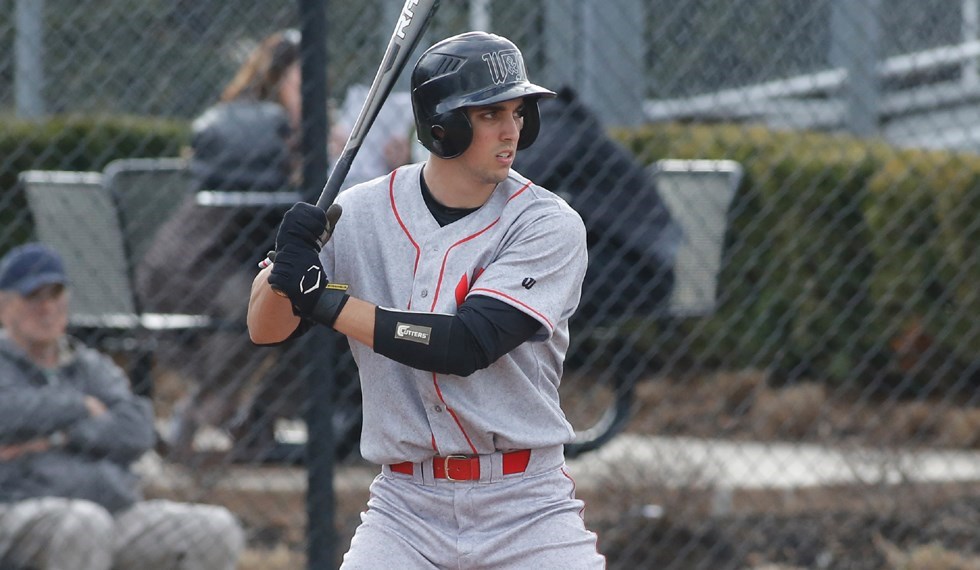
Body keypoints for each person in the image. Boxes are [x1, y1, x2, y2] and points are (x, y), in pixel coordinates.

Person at [248, 31, 606, 567]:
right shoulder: (361, 210)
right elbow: (265, 328)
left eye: (518, 113)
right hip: (405, 510)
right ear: (443, 127)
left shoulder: (546, 224)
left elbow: (464, 345)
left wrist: (325, 302)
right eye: (489, 115)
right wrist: (285, 268)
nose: (510, 131)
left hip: (526, 508)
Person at [136, 29, 330, 463]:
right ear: (279, 78)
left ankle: (251, 418)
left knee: (318, 306)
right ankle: (207, 409)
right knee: (263, 299)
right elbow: (275, 202)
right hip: (193, 267)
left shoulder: (286, 133)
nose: (319, 96)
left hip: (224, 263)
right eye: (306, 82)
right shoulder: (252, 122)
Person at [0, 243, 244, 570]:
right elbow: (8, 413)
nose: (47, 308)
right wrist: (84, 407)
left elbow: (136, 430)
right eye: (33, 297)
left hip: (112, 509)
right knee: (85, 524)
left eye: (55, 295)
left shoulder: (89, 365)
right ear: (4, 307)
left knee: (213, 530)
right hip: (18, 511)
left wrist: (58, 439)